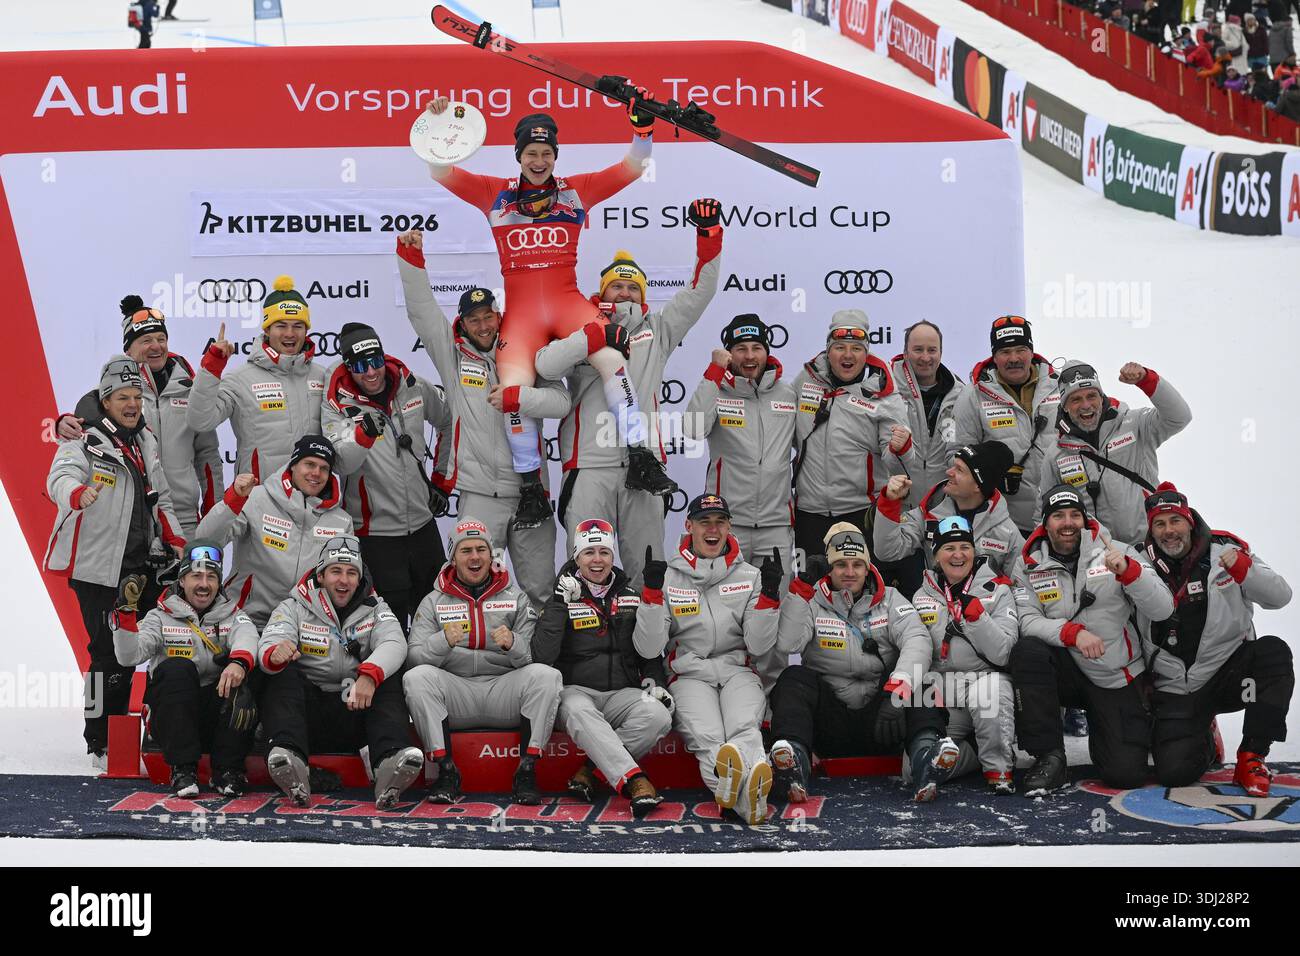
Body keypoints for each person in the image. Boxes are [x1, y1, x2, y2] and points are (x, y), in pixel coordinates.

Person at [421, 95, 678, 522]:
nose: (538, 161)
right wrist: (438, 126)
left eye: (546, 153)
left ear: (555, 156)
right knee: (511, 394)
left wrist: (642, 130)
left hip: (567, 304)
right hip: (521, 318)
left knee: (614, 359)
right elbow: (440, 170)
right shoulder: (495, 194)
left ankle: (641, 458)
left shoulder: (576, 192)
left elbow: (633, 166)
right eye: (531, 153)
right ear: (518, 156)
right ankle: (530, 488)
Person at [536, 202, 724, 586]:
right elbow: (545, 367)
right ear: (602, 290)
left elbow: (700, 291)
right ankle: (585, 645)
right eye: (616, 286)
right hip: (589, 465)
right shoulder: (580, 326)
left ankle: (648, 645)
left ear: (643, 296)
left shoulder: (659, 328)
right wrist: (589, 338)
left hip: (645, 467)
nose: (624, 294)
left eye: (632, 288)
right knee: (584, 572)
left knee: (647, 570)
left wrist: (708, 236)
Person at [398, 231, 572, 608]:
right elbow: (423, 312)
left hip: (532, 493)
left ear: (498, 314)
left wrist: (520, 397)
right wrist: (411, 259)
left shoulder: (528, 347)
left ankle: (540, 667)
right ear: (463, 322)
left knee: (539, 590)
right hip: (479, 496)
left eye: (488, 316)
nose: (482, 326)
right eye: (473, 319)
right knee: (466, 590)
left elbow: (560, 402)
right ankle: (471, 665)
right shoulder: (453, 356)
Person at [45, 355, 186, 764]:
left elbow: (160, 496)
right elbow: (59, 476)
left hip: (143, 566)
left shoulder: (145, 438)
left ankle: (132, 735)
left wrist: (174, 536)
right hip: (97, 569)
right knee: (105, 654)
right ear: (105, 400)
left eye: (137, 398)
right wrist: (76, 493)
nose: (132, 405)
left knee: (141, 650)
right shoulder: (83, 437)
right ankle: (98, 739)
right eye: (122, 397)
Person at [768, 523, 957, 803]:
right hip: (830, 723)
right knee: (793, 678)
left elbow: (918, 640)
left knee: (923, 681)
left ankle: (925, 760)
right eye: (841, 564)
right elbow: (788, 645)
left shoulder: (891, 599)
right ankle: (794, 763)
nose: (849, 572)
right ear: (829, 568)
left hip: (883, 719)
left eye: (857, 564)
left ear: (868, 567)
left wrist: (897, 691)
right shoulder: (811, 600)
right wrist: (800, 594)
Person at [1010, 486, 1174, 794]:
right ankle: (1050, 756)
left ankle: (1180, 731)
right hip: (1066, 667)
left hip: (1113, 673)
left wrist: (1131, 573)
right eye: (1058, 516)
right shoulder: (1028, 564)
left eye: (1075, 515)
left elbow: (1163, 609)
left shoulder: (1117, 551)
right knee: (1027, 652)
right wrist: (1071, 633)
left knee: (1125, 774)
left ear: (1085, 521)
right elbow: (1027, 621)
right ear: (1046, 524)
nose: (1068, 522)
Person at [633, 494, 782, 825]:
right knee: (709, 737)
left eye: (720, 522)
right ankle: (750, 802)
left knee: (744, 728)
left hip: (737, 670)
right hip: (689, 674)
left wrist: (769, 598)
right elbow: (648, 647)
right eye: (704, 522)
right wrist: (652, 596)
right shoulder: (669, 576)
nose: (713, 529)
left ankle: (743, 796)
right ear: (688, 526)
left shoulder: (749, 575)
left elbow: (759, 646)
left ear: (729, 527)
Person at [1136, 484, 1293, 795]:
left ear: (1190, 522)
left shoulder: (1226, 548)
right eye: (1160, 523)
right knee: (1175, 772)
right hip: (1175, 686)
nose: (1169, 531)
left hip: (1230, 676)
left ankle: (1252, 755)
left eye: (1176, 521)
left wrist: (1245, 570)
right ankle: (1205, 733)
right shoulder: (1137, 560)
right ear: (1151, 529)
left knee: (1273, 651)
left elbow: (1280, 596)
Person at [403, 519, 561, 806]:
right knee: (417, 678)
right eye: (466, 550)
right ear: (453, 558)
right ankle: (446, 772)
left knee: (545, 676)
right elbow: (413, 659)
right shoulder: (433, 601)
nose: (474, 557)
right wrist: (442, 642)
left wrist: (513, 644)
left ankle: (527, 770)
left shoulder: (516, 598)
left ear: (492, 555)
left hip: (504, 692)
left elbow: (531, 658)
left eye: (481, 549)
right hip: (457, 694)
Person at [258, 536, 422, 809]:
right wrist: (275, 652)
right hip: (307, 718)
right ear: (321, 575)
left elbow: (396, 643)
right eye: (335, 571)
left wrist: (369, 675)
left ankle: (389, 764)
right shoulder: (294, 605)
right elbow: (270, 641)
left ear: (360, 578)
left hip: (355, 709)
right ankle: (289, 760)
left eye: (351, 573)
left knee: (388, 673)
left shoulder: (376, 608)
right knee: (281, 673)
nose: (343, 581)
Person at [682, 313, 798, 689]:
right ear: (728, 353)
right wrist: (712, 375)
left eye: (757, 347)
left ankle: (773, 701)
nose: (749, 356)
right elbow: (692, 429)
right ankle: (726, 689)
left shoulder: (787, 394)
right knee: (725, 613)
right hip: (726, 527)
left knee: (772, 611)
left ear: (768, 350)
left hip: (777, 526)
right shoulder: (718, 389)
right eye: (740, 349)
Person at [532, 519, 672, 816]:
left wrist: (655, 680)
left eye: (604, 552)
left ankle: (590, 771)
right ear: (576, 558)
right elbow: (541, 656)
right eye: (589, 552)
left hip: (620, 692)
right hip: (574, 692)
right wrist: (559, 603)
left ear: (613, 557)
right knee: (580, 711)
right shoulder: (561, 595)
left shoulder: (630, 595)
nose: (597, 560)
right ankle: (635, 781)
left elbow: (647, 653)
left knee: (658, 715)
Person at [56, 295, 223, 537]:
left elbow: (208, 456)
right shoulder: (113, 395)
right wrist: (63, 424)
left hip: (184, 518)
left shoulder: (191, 389)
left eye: (161, 339)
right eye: (146, 340)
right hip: (131, 519)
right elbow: (83, 427)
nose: (156, 346)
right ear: (128, 349)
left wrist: (213, 513)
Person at [322, 322, 452, 631]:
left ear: (384, 356)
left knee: (435, 618)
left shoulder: (412, 384)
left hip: (423, 527)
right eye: (359, 365)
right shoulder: (336, 404)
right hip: (375, 535)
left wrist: (443, 479)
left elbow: (450, 422)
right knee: (387, 628)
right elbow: (341, 464)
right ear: (347, 366)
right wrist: (362, 435)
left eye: (375, 360)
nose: (370, 372)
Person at [112, 541, 259, 796]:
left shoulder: (233, 614)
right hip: (172, 719)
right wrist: (125, 615)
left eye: (211, 577)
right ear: (182, 581)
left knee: (246, 680)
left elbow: (248, 636)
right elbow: (129, 656)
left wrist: (238, 663)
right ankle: (182, 769)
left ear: (219, 583)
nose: (204, 584)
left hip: (215, 717)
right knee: (177, 668)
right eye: (196, 576)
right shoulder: (160, 616)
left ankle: (227, 770)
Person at [792, 310, 918, 576]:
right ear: (828, 351)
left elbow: (901, 464)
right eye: (839, 347)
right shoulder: (805, 382)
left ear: (866, 353)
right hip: (809, 515)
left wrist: (900, 447)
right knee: (810, 593)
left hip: (859, 513)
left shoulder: (882, 392)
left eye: (856, 348)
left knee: (860, 588)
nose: (848, 355)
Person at [195, 434, 352, 629]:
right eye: (309, 464)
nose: (316, 473)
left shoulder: (342, 521)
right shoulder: (256, 498)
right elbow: (204, 540)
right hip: (246, 620)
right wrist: (233, 500)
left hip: (304, 627)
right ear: (293, 464)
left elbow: (345, 580)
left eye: (324, 468)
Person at [910, 517, 1018, 794]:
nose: (958, 555)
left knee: (990, 693)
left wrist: (979, 618)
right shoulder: (921, 595)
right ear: (936, 555)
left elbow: (1004, 653)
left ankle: (998, 767)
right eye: (949, 548)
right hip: (942, 685)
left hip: (984, 677)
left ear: (974, 551)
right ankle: (962, 754)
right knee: (911, 771)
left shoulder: (998, 590)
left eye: (964, 547)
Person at [187, 277, 326, 481]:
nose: (290, 333)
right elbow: (200, 421)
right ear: (267, 330)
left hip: (312, 500)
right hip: (259, 502)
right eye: (281, 325)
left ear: (306, 331)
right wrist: (213, 365)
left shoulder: (322, 376)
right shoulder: (240, 379)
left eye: (298, 326)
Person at [1045, 361, 1191, 546]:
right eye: (1076, 399)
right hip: (1100, 558)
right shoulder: (1056, 453)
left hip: (1152, 545)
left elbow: (1180, 417)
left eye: (1092, 396)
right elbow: (1045, 510)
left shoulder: (1135, 423)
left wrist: (1147, 379)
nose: (1086, 405)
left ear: (1102, 396)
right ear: (1064, 406)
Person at [954, 315, 1061, 535]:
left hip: (1061, 520)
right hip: (1003, 525)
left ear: (1032, 351)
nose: (1014, 358)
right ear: (994, 356)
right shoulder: (972, 395)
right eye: (1005, 352)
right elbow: (955, 457)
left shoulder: (1060, 386)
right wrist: (986, 474)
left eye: (1021, 349)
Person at [873, 440, 1022, 577]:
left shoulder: (1007, 532)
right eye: (953, 466)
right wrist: (890, 501)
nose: (949, 472)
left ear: (978, 485)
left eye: (959, 470)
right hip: (937, 601)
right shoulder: (930, 511)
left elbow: (1019, 587)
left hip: (986, 605)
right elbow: (887, 551)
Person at [889, 320, 966, 508]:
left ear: (941, 352)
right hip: (897, 502)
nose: (925, 357)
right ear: (905, 352)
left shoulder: (960, 394)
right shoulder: (886, 388)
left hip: (943, 507)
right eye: (918, 350)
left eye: (932, 350)